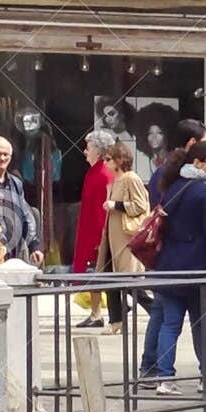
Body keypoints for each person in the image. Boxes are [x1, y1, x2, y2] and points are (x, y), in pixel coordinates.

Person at [146, 141, 206, 395]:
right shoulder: (205, 193)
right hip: (199, 269)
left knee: (170, 324)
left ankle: (165, 378)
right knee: (204, 324)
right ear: (197, 163)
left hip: (169, 267)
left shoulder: (171, 187)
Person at [96, 141, 154, 333]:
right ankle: (116, 321)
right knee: (109, 280)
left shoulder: (131, 178)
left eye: (108, 159)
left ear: (119, 160)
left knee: (130, 282)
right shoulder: (114, 181)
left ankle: (155, 311)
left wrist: (116, 205)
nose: (104, 163)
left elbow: (140, 205)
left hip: (126, 238)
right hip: (112, 238)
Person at [73, 129, 117, 326]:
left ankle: (102, 313)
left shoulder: (102, 174)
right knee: (95, 273)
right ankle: (96, 313)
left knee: (98, 272)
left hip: (96, 231)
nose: (85, 151)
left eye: (88, 148)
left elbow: (103, 209)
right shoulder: (95, 171)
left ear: (98, 151)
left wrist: (101, 238)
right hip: (90, 227)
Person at [0, 136, 43, 267]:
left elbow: (26, 216)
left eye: (6, 154)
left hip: (13, 253)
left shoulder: (16, 183)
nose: (2, 158)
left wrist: (34, 245)